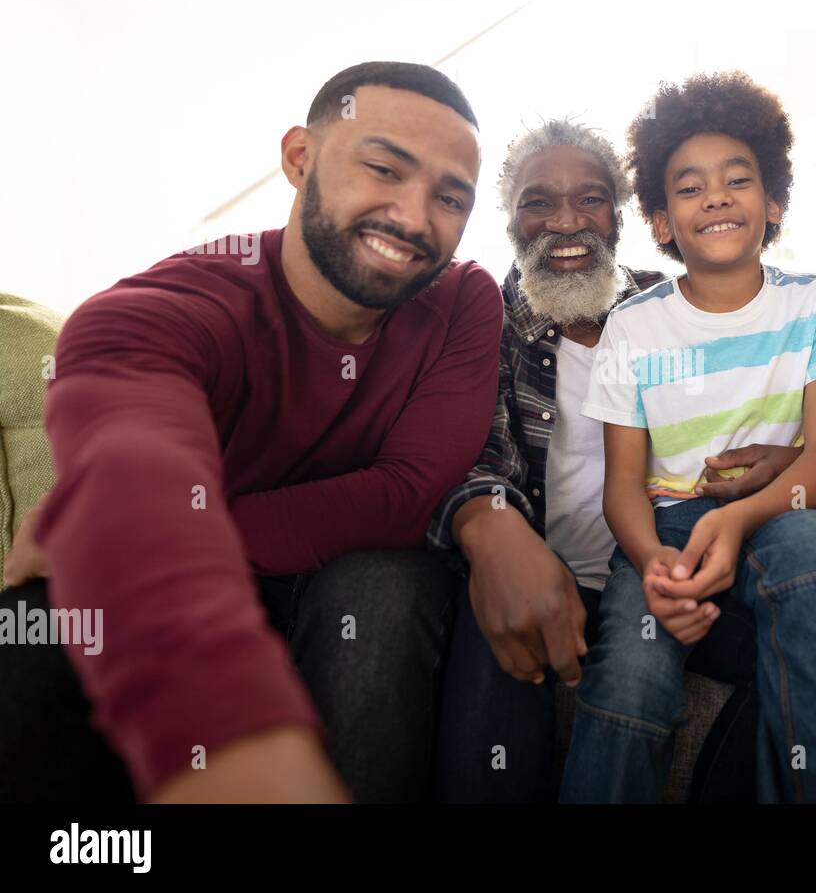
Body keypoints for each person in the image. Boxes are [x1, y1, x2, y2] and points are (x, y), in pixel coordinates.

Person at [1, 61, 501, 802]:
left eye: (449, 197)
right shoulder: (153, 311)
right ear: (300, 158)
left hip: (335, 581)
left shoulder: (463, 299)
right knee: (37, 624)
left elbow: (408, 492)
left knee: (386, 585)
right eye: (383, 168)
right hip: (193, 580)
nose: (413, 216)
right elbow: (138, 463)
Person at [430, 120, 799, 802]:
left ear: (622, 213)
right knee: (494, 642)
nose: (567, 222)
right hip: (545, 581)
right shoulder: (486, 322)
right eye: (538, 202)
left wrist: (782, 457)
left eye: (591, 199)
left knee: (813, 649)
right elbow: (467, 456)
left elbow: (768, 409)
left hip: (674, 570)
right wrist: (497, 533)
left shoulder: (683, 307)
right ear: (508, 219)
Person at [560, 73, 816, 803]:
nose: (716, 196)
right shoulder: (634, 325)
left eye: (738, 180)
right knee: (632, 674)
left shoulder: (815, 301)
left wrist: (739, 518)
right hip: (666, 526)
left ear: (771, 205)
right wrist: (654, 567)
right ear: (663, 222)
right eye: (690, 187)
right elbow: (622, 488)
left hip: (782, 510)